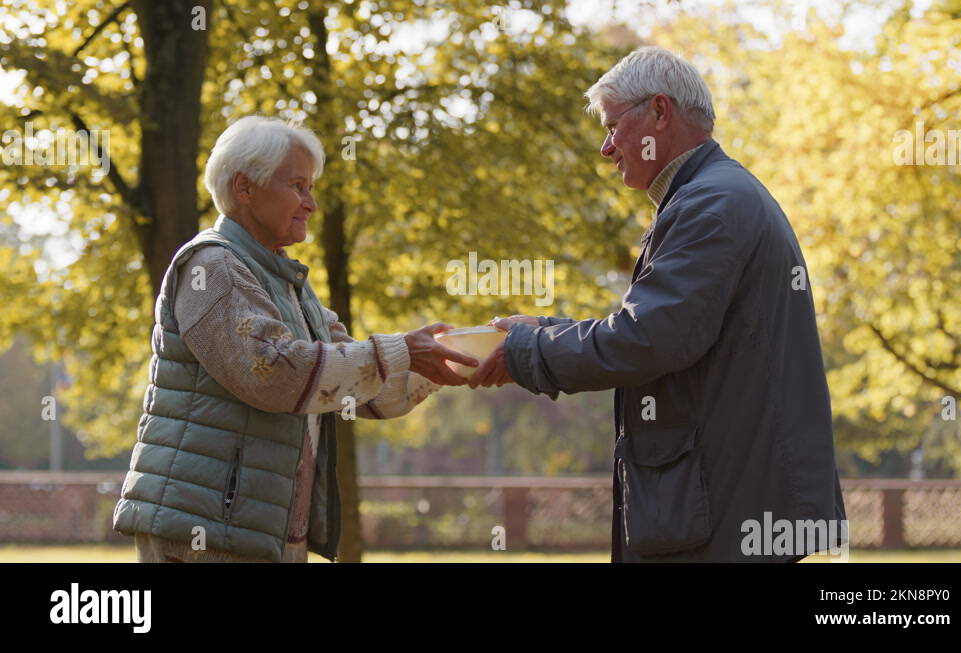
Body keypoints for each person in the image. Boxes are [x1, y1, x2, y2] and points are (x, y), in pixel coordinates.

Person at [469, 46, 847, 562]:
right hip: (734, 510)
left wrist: (525, 351)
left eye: (611, 126)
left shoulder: (710, 205)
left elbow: (646, 341)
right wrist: (542, 328)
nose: (606, 148)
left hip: (726, 520)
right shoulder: (715, 196)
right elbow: (656, 327)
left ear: (659, 112)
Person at [113, 116, 478, 563]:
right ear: (245, 187)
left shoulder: (291, 285)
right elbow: (275, 375)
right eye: (299, 186)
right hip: (204, 534)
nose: (312, 204)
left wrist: (466, 358)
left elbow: (362, 389)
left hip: (258, 534)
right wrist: (403, 350)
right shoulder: (213, 268)